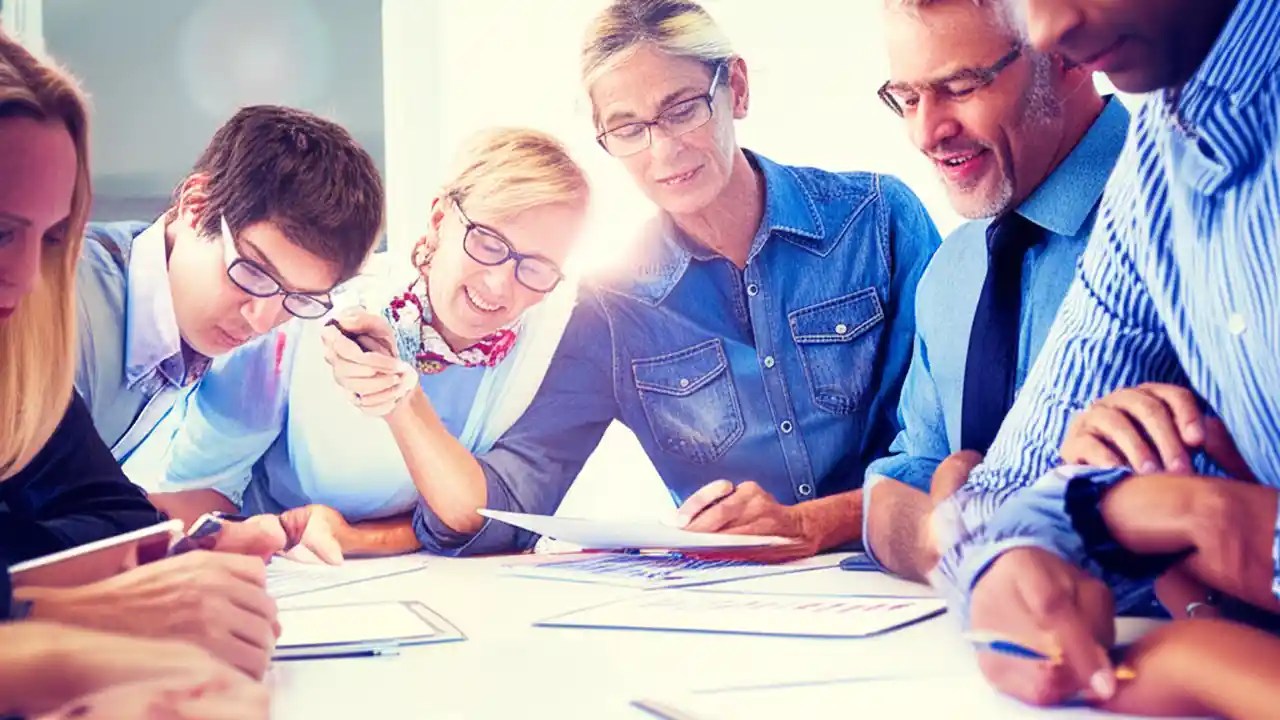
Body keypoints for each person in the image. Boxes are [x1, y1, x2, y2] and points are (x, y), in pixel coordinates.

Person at [322, 0, 940, 561]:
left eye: (682, 109)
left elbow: (959, 447)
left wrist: (813, 523)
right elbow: (498, 508)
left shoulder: (876, 220)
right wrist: (400, 395)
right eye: (628, 128)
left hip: (910, 571)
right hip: (738, 610)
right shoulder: (612, 307)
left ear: (738, 89)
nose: (663, 151)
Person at [926, 0, 1280, 708]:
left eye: (965, 84)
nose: (1050, 31)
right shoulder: (1158, 158)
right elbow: (998, 504)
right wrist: (1119, 511)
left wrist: (1202, 650)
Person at [150, 128, 590, 558]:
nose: (499, 286)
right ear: (439, 219)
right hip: (273, 570)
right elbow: (200, 493)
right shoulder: (306, 304)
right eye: (487, 243)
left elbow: (485, 517)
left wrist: (360, 538)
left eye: (535, 267)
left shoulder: (544, 343)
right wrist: (282, 533)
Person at [0, 26, 267, 716]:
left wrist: (42, 599)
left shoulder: (17, 344)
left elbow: (114, 521)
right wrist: (57, 622)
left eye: (53, 237)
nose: (27, 278)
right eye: (1, 231)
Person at [859, 0, 1128, 582]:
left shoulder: (1191, 212)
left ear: (1065, 56)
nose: (926, 133)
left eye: (960, 87)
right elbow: (898, 486)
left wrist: (949, 527)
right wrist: (944, 538)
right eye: (906, 98)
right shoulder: (952, 270)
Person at [75, 103, 385, 475]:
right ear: (196, 205)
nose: (262, 320)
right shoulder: (66, 304)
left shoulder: (184, 323)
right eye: (253, 271)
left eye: (298, 298)